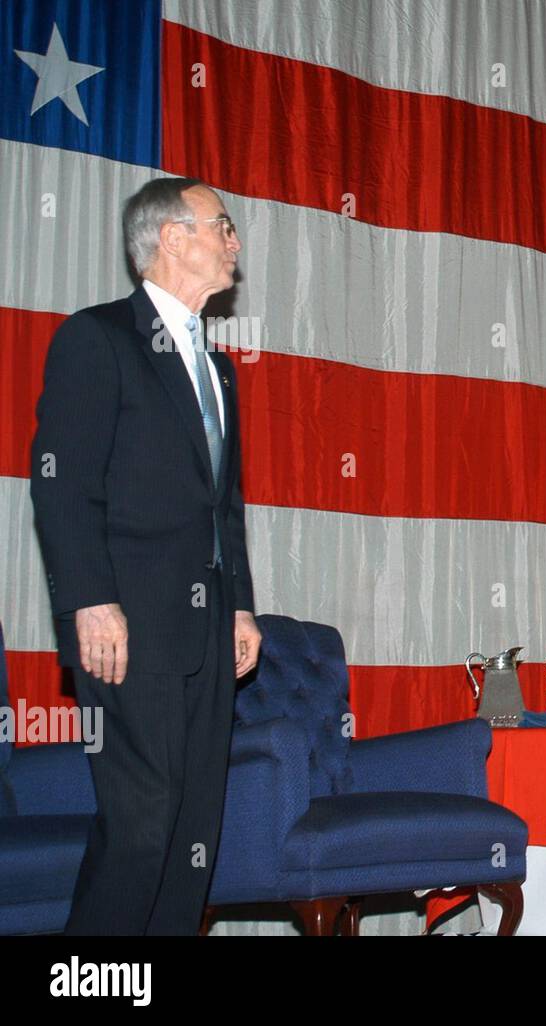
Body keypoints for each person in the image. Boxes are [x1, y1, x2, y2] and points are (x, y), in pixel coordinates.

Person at [30, 176, 261, 935]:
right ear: (172, 238)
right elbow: (62, 484)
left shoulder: (219, 367)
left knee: (196, 830)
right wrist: (89, 602)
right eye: (221, 226)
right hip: (125, 629)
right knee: (141, 827)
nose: (234, 241)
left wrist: (240, 606)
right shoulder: (97, 339)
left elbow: (221, 505)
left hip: (203, 633)